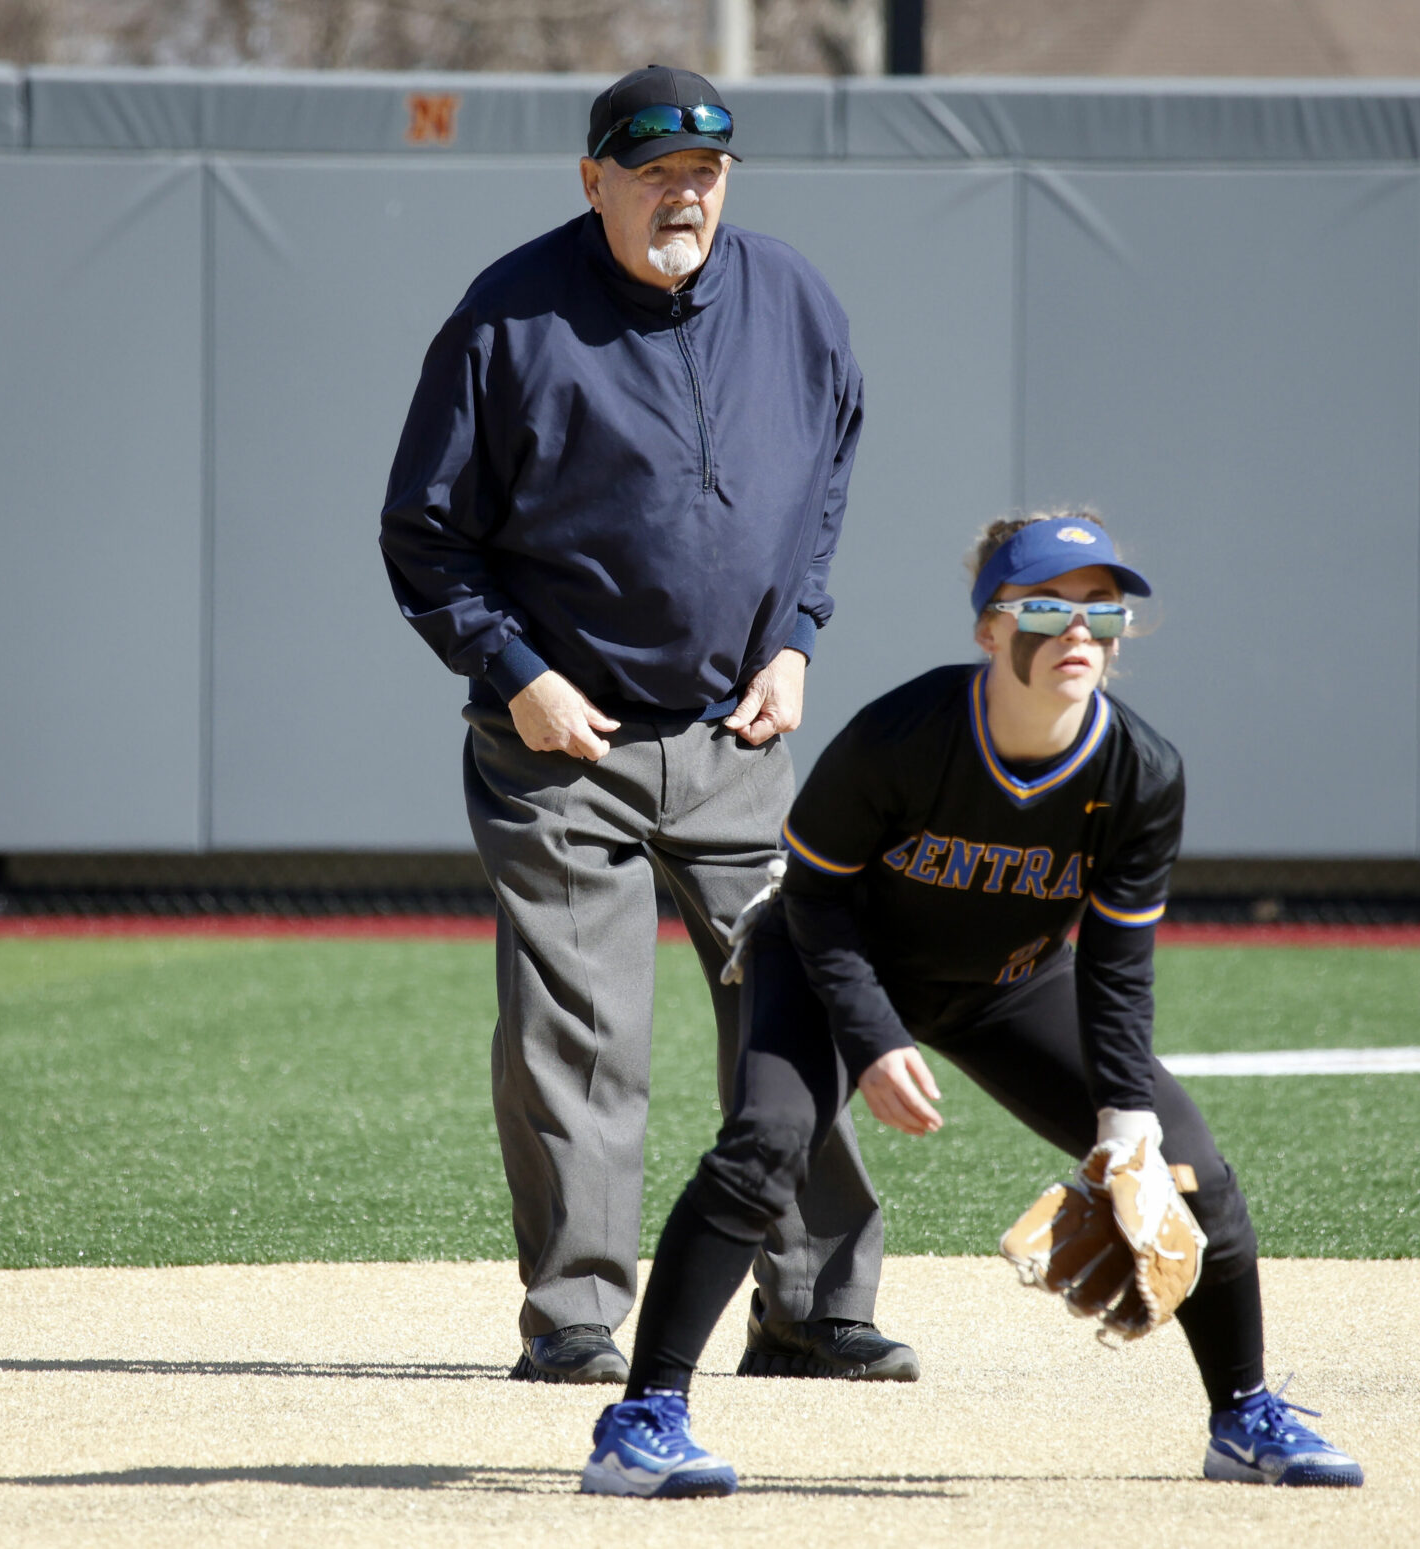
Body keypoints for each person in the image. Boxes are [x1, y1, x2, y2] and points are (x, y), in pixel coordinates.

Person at [576, 512, 1365, 1497]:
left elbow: (1117, 966)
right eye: (1046, 606)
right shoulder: (905, 736)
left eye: (1101, 610)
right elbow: (815, 898)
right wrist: (870, 1040)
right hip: (833, 962)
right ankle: (644, 1418)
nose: (1079, 631)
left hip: (1006, 984)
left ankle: (1244, 1415)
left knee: (1187, 1165)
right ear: (992, 627)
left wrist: (1125, 1124)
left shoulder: (1138, 773)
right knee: (767, 1142)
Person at [379, 65, 913, 1386]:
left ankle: (812, 1309)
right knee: (581, 1031)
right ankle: (575, 1319)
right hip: (565, 742)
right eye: (655, 169)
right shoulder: (508, 317)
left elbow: (828, 469)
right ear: (593, 178)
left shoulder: (791, 301)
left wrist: (798, 635)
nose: (685, 194)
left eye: (707, 172)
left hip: (740, 734)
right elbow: (424, 532)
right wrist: (513, 672)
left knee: (800, 1006)